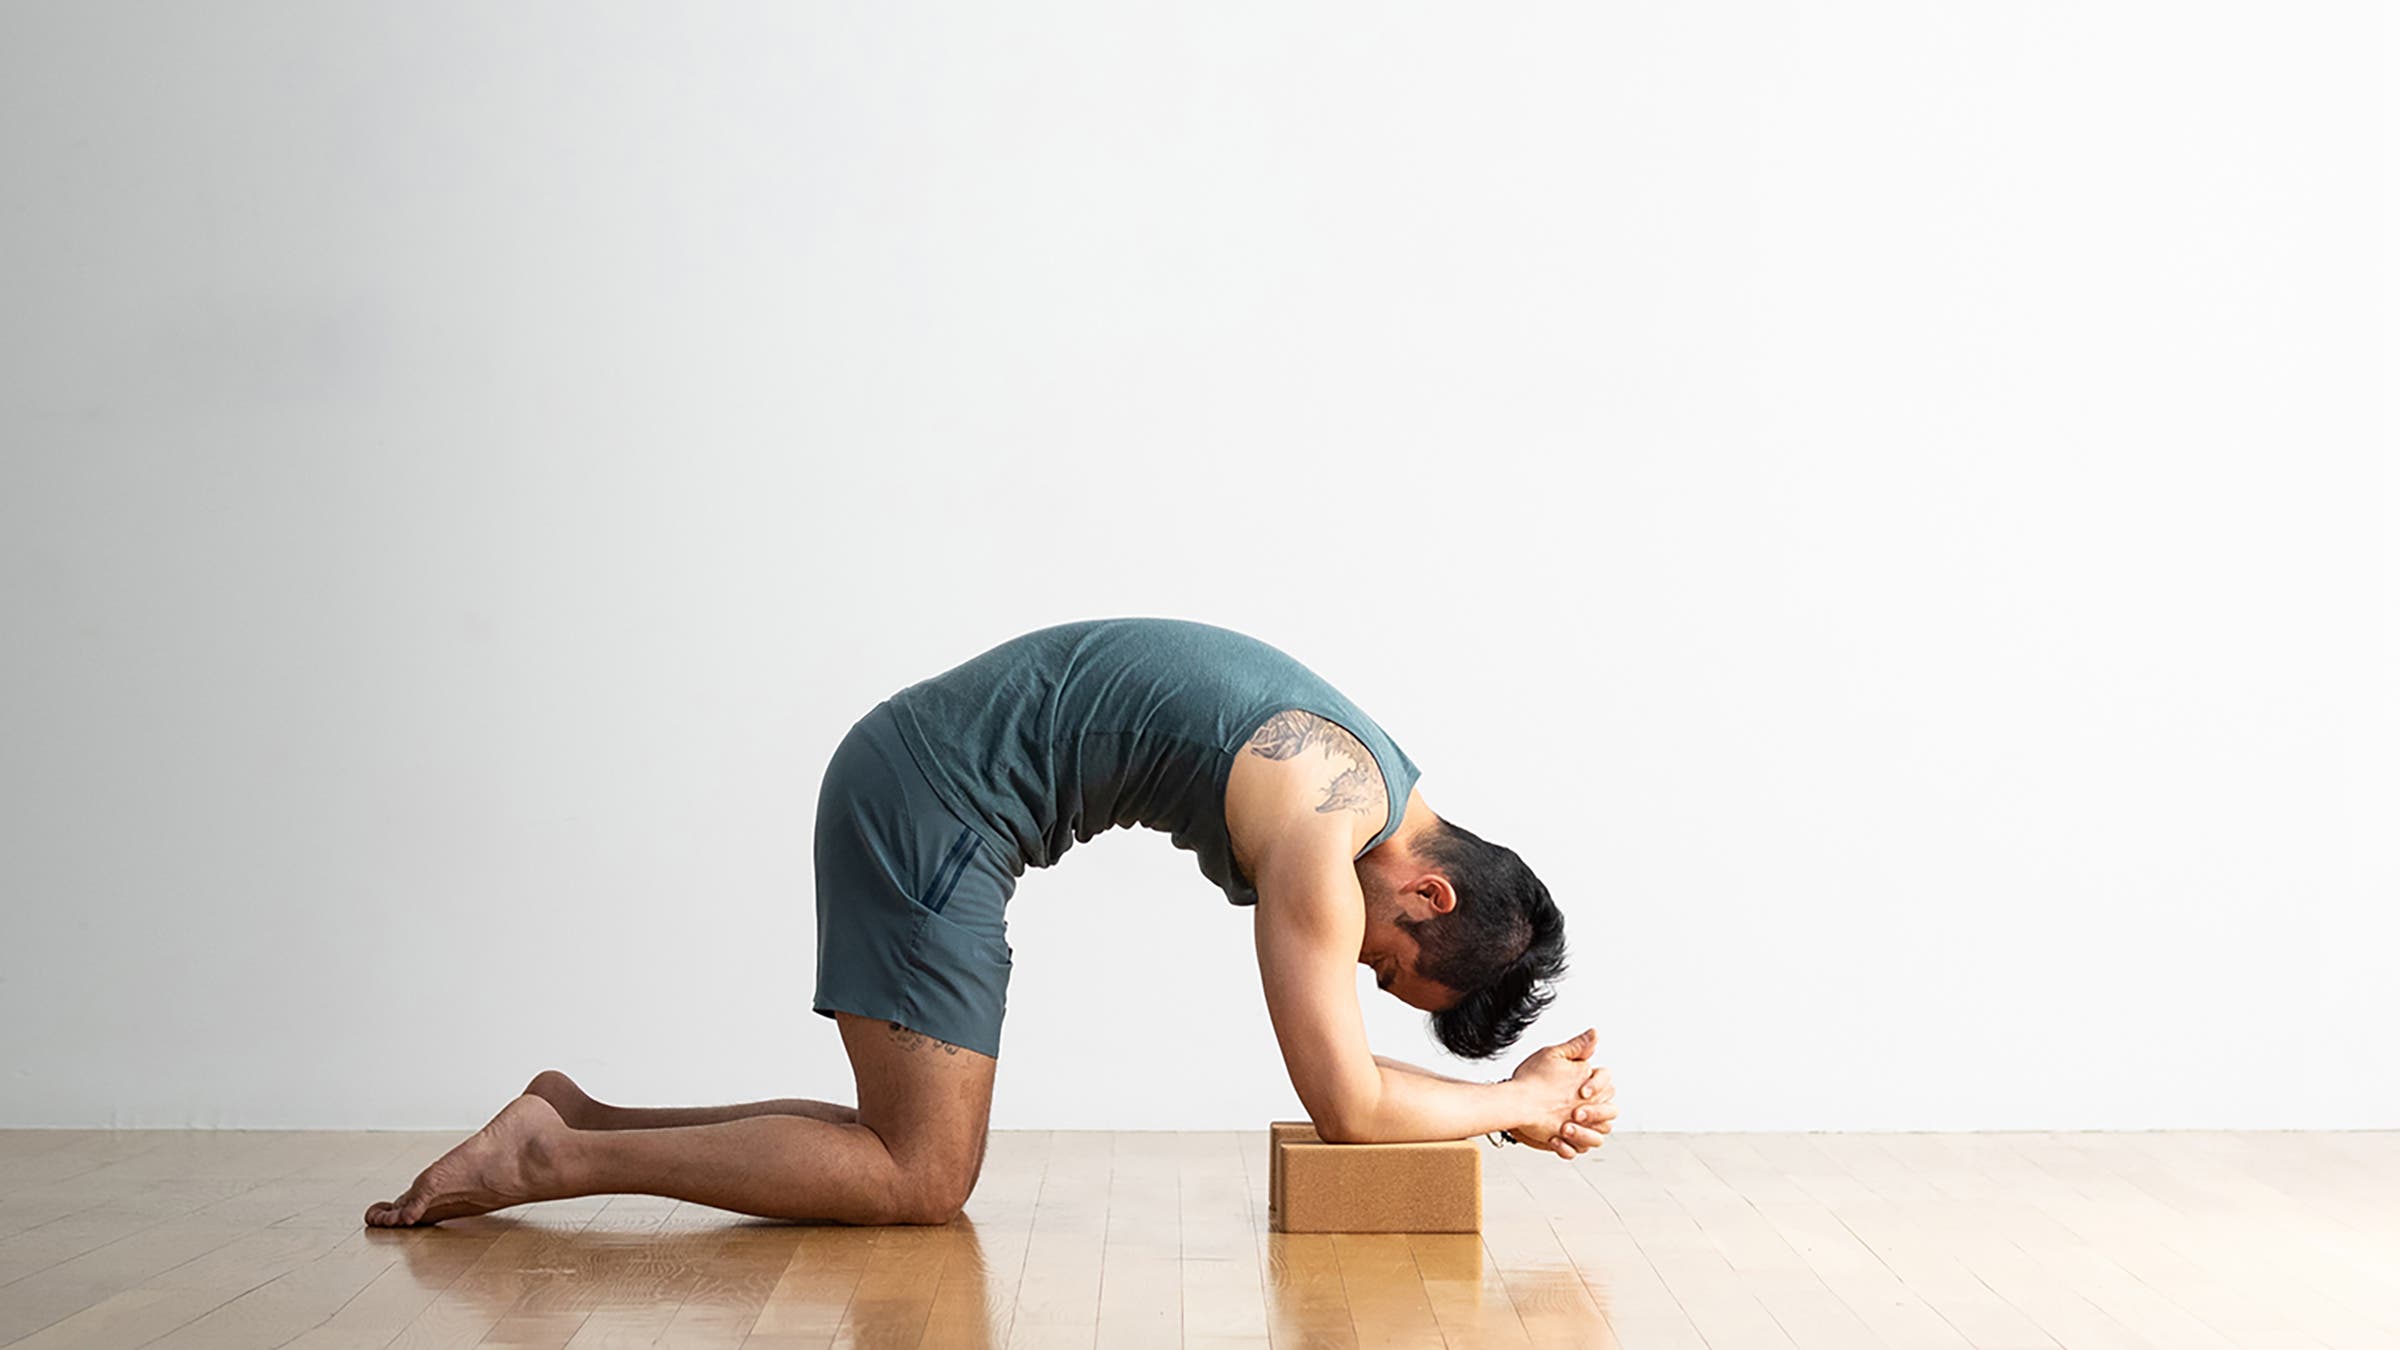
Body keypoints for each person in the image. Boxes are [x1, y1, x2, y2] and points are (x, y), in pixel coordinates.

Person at [364, 617, 1615, 1228]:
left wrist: (1514, 1097)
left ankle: (570, 1119)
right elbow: (1346, 1104)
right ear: (1427, 894)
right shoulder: (1322, 828)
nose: (1357, 961)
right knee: (922, 1177)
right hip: (932, 804)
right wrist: (1518, 1102)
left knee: (895, 1143)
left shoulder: (1373, 773)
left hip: (926, 788)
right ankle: (549, 1163)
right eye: (1386, 966)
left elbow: (1353, 1081)